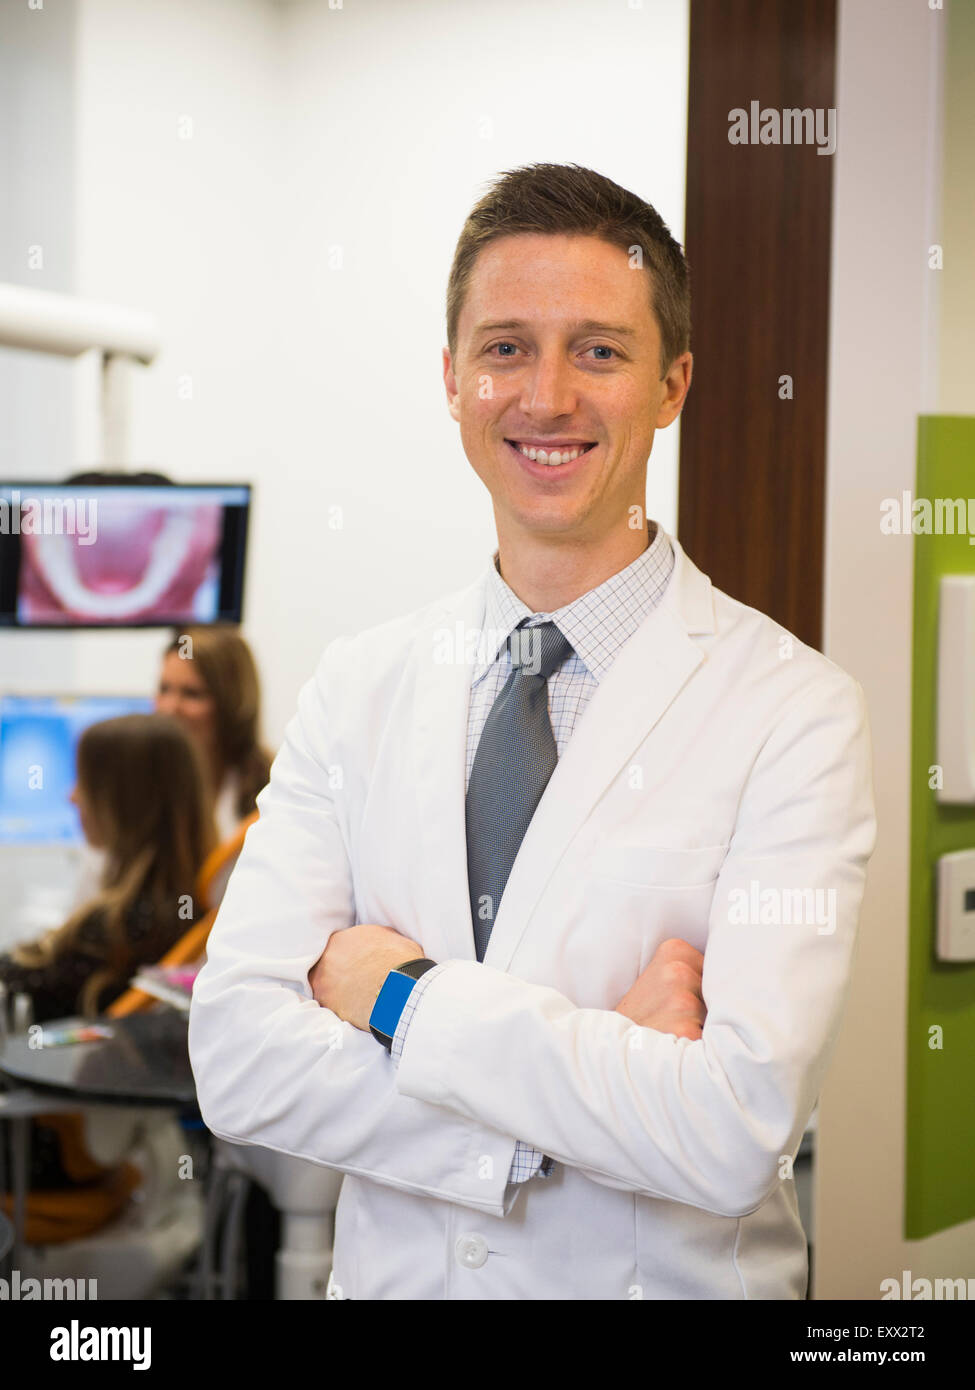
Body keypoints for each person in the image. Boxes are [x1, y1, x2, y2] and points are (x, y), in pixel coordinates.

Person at [188, 162, 877, 1300]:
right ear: (452, 379)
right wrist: (584, 1096)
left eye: (599, 351)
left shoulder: (793, 709)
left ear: (673, 385)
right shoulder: (358, 686)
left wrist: (402, 999)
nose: (546, 396)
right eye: (506, 347)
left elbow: (729, 1129)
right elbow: (241, 1062)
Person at [0, 712, 216, 1024]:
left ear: (127, 801)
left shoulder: (121, 925)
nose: (71, 796)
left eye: (85, 783)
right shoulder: (180, 909)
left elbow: (21, 974)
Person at [155, 625, 272, 841]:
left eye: (192, 694)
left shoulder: (274, 790)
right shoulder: (142, 783)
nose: (170, 708)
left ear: (233, 702)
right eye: (164, 689)